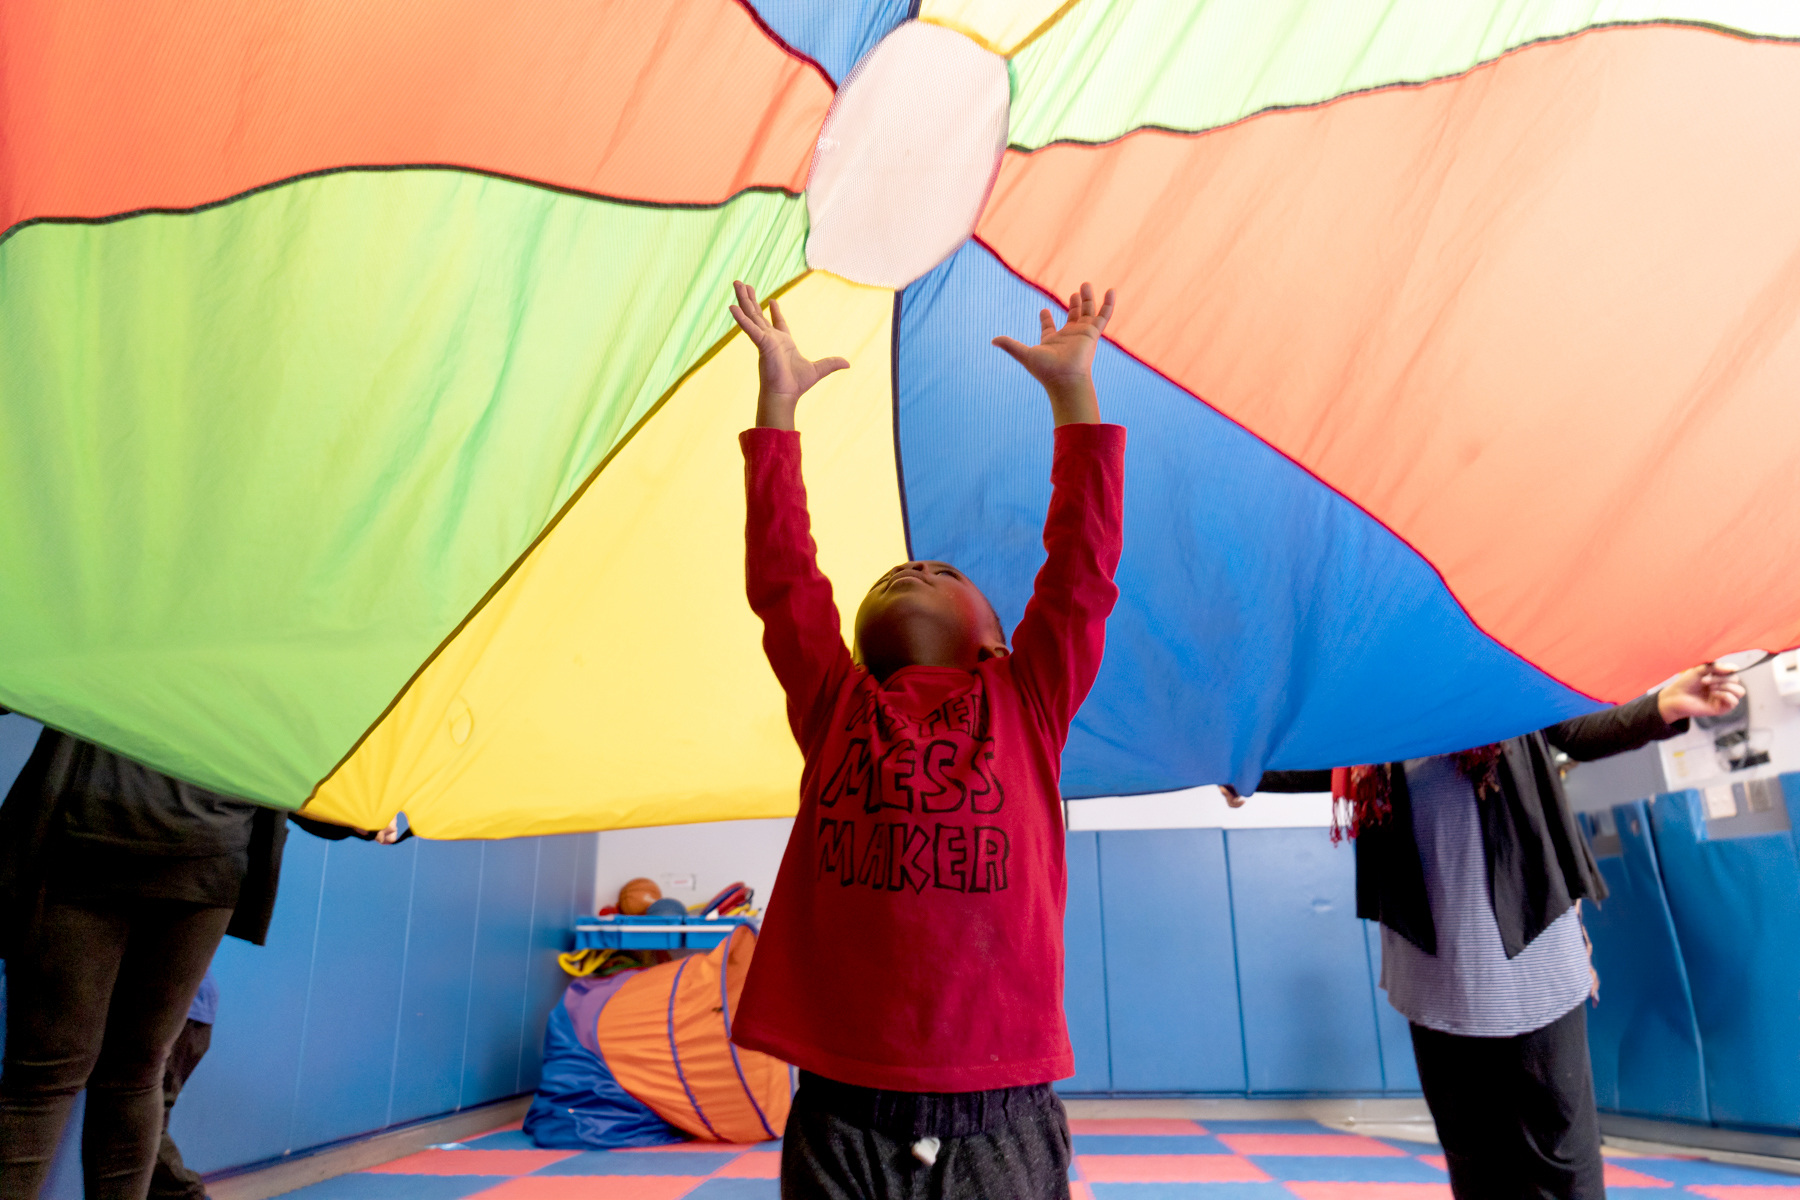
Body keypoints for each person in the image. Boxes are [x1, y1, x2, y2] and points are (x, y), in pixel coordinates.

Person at [723, 280, 1124, 1200]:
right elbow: (784, 577)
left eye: (940, 572)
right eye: (897, 574)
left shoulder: (1026, 699)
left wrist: (1074, 396)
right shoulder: (837, 705)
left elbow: (1081, 567)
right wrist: (777, 406)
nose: (912, 567)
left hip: (999, 1109)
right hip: (842, 1104)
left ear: (997, 640)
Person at [1242, 665, 1744, 1200]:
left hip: (1530, 944)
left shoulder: (1503, 674)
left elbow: (1578, 729)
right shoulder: (1380, 699)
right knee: (1473, 1156)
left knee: (1559, 1156)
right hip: (1429, 957)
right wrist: (1245, 773)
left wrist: (1665, 703)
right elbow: (1330, 759)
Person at [0, 724, 403, 1199]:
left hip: (173, 847)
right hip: (117, 840)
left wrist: (355, 813)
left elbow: (283, 746)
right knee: (83, 1075)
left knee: (88, 1075)